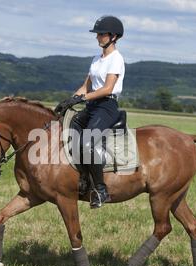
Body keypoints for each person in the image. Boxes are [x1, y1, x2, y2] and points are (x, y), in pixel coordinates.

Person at [55, 15, 125, 209]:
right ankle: (83, 177)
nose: (97, 38)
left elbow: (107, 89)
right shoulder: (97, 59)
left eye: (101, 34)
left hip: (107, 106)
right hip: (92, 105)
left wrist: (83, 98)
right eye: (98, 34)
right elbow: (86, 86)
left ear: (113, 36)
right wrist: (69, 100)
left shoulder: (116, 59)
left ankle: (101, 190)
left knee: (88, 141)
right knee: (71, 131)